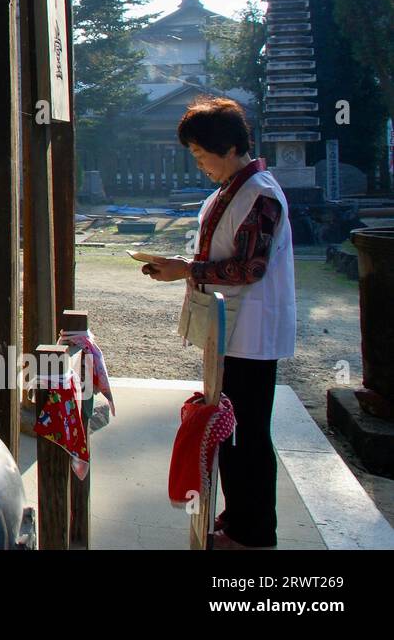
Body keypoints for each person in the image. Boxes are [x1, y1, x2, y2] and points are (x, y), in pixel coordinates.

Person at [141, 96, 295, 549]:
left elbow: (249, 268)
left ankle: (255, 534)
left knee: (247, 434)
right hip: (229, 330)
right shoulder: (228, 190)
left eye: (201, 153)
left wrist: (184, 269)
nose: (199, 163)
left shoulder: (260, 194)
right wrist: (182, 267)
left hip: (253, 333)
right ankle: (238, 518)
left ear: (229, 147)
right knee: (226, 429)